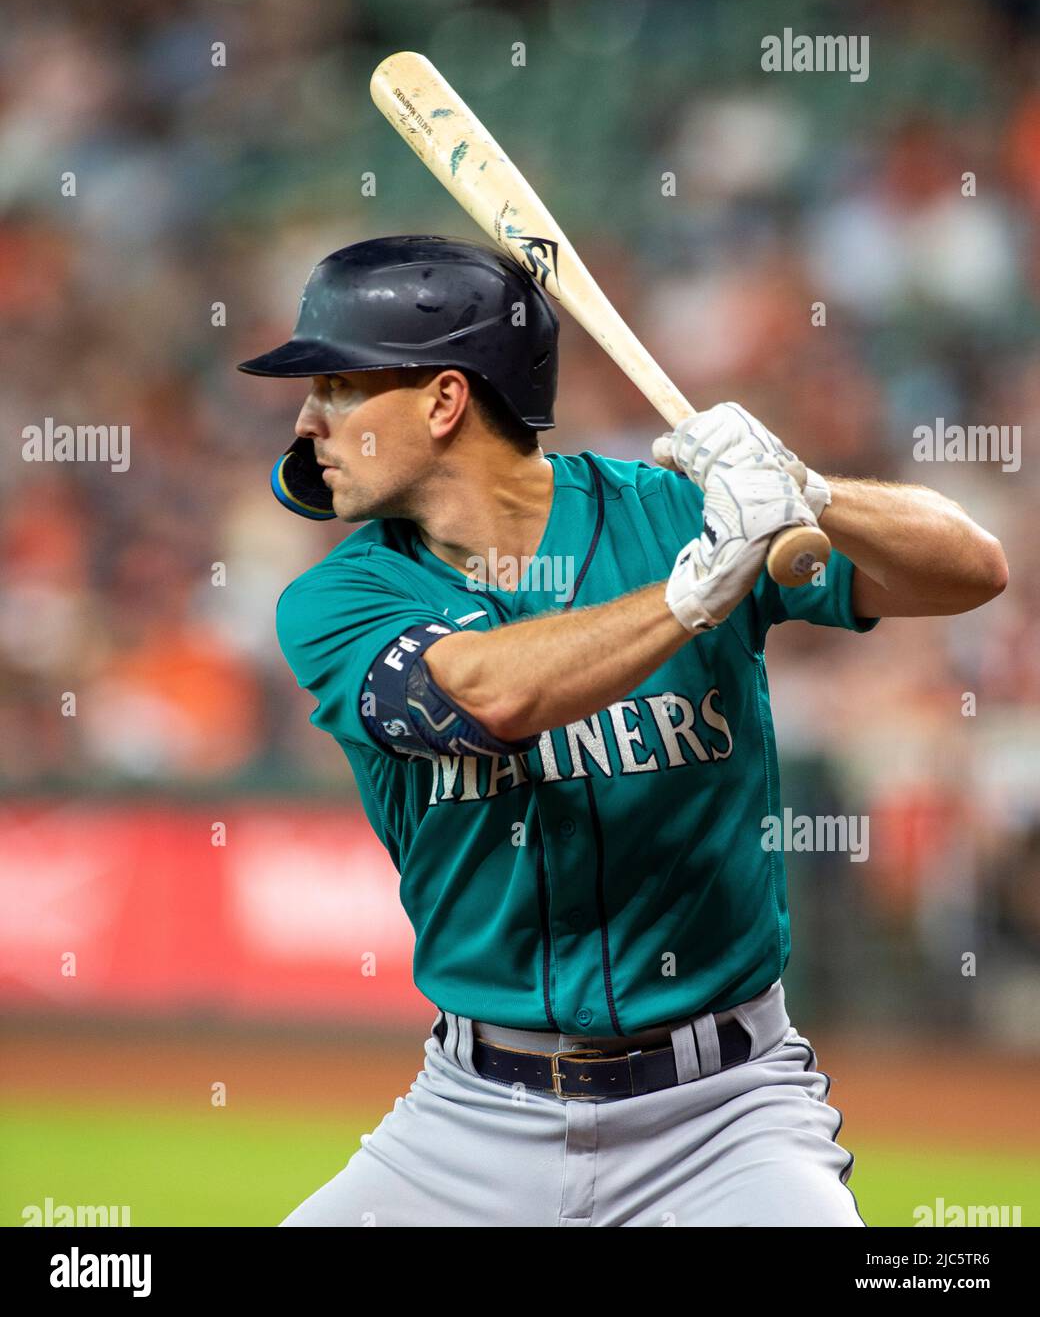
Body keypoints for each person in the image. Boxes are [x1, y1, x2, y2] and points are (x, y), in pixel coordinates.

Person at [238, 235, 1007, 1227]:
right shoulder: (338, 596)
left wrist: (807, 489)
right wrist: (692, 594)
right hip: (471, 1119)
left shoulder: (680, 512)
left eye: (336, 385)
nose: (306, 420)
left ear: (441, 401)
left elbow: (969, 570)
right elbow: (484, 696)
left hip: (722, 1115)